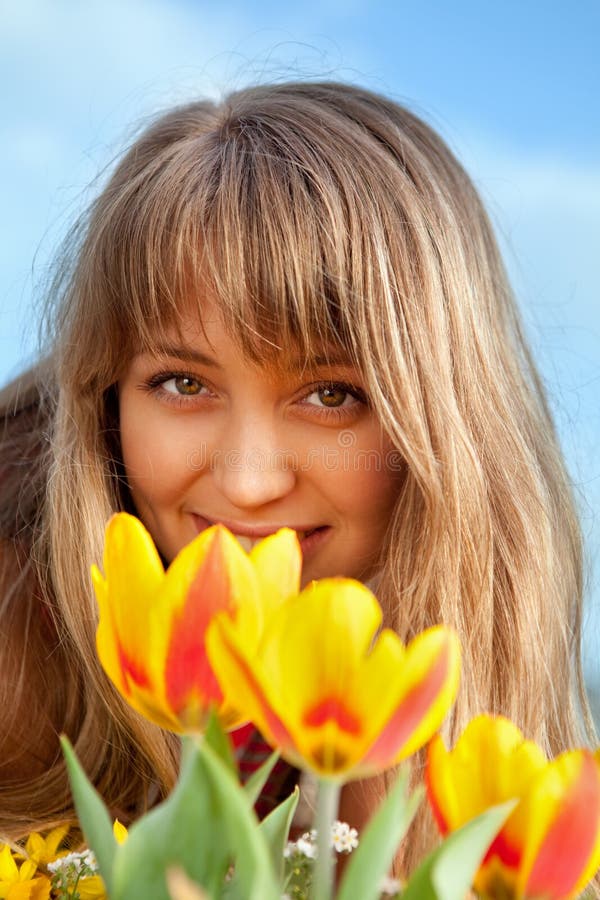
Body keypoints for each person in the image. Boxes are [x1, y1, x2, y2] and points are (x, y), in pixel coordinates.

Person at [0, 80, 593, 875]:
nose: (248, 484)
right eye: (183, 383)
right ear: (104, 402)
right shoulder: (15, 636)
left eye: (331, 394)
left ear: (447, 427)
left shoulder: (488, 738)